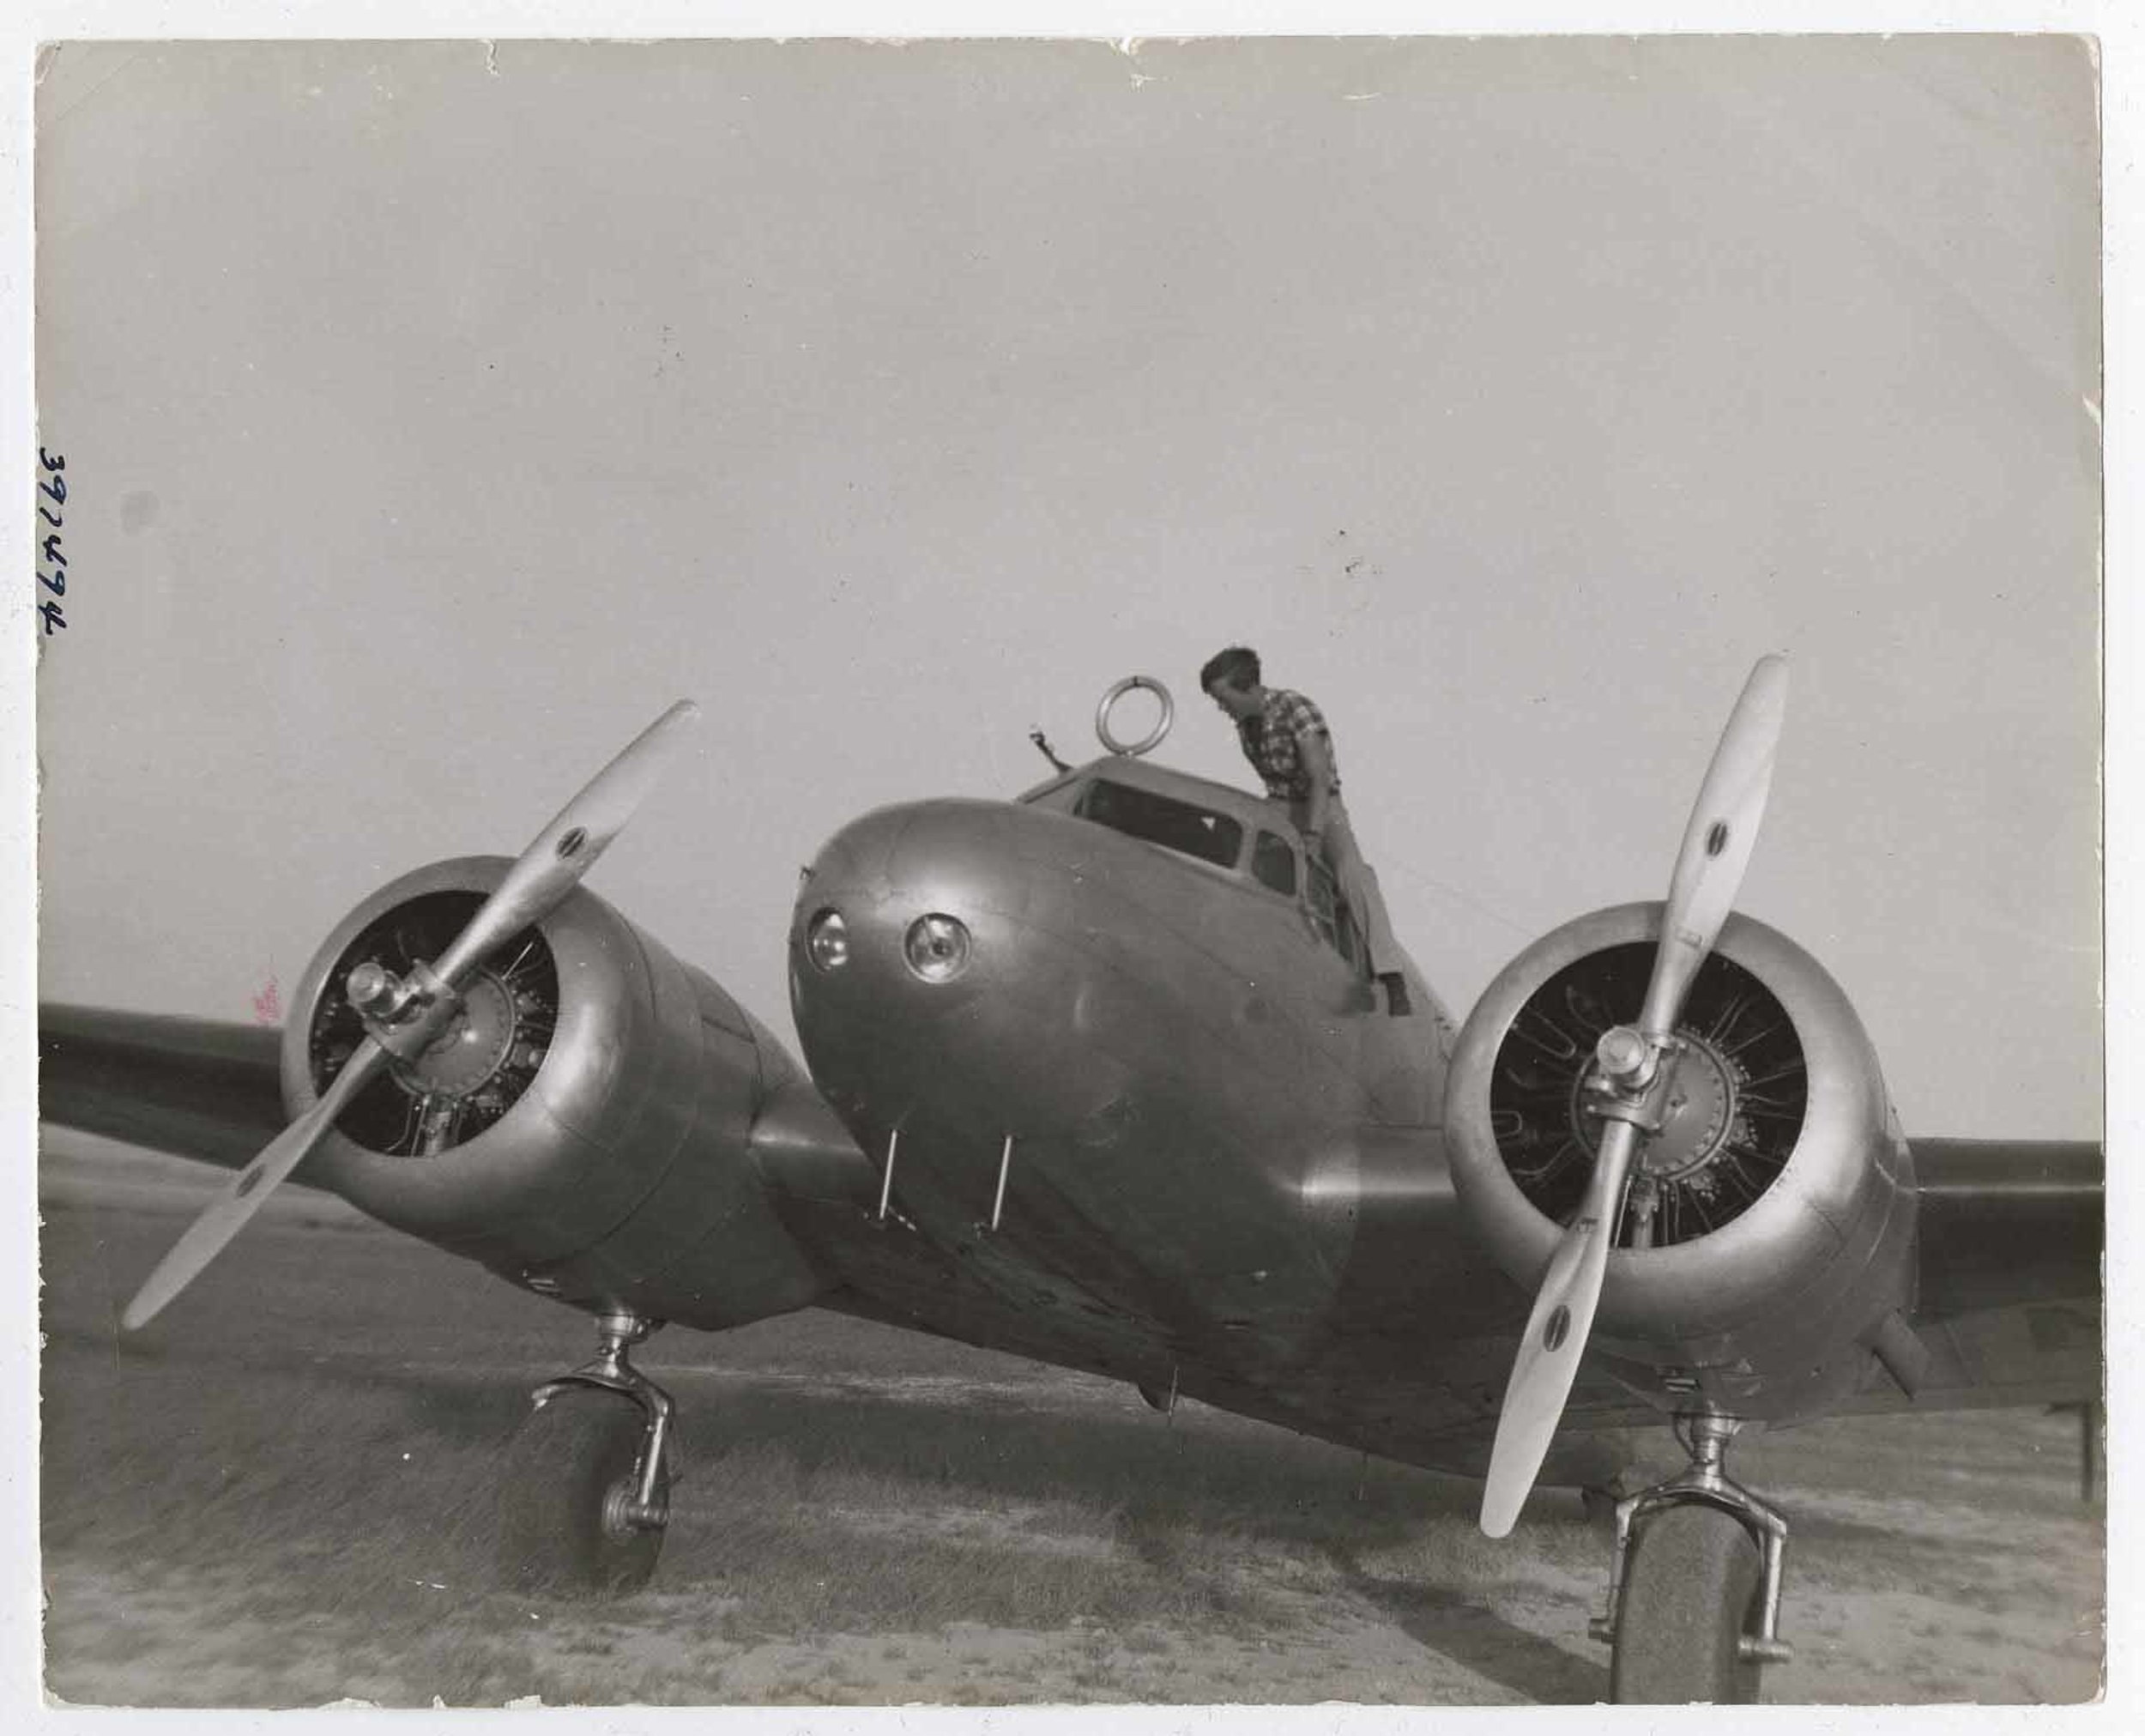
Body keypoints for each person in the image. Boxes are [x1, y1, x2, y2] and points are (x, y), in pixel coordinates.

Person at [1199, 645, 1411, 1012]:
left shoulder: (1296, 709)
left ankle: (1392, 976)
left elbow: (1317, 779)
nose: (1223, 708)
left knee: (1350, 871)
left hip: (1320, 803)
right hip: (1279, 804)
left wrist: (1311, 836)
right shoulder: (1246, 726)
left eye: (1224, 699)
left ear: (1247, 688)